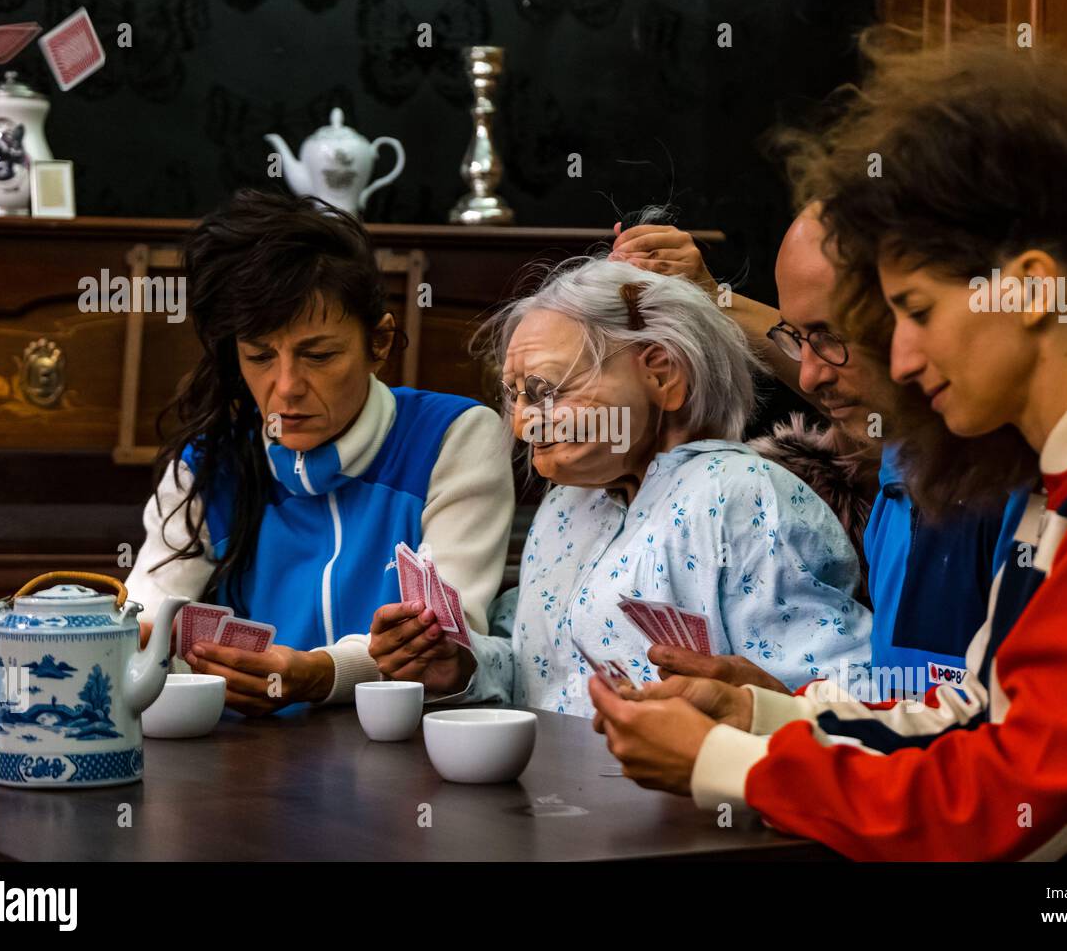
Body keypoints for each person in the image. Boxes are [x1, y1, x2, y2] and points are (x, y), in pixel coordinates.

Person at [590, 28, 1067, 860]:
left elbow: (1005, 809)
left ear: (1033, 288)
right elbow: (977, 715)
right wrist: (768, 716)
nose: (900, 359)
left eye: (918, 311)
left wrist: (727, 763)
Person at [367, 256, 871, 716]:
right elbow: (539, 675)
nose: (523, 425)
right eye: (515, 397)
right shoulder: (568, 504)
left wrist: (755, 705)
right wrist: (461, 666)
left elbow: (846, 695)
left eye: (547, 391)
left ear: (662, 373)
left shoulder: (741, 496)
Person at [612, 205, 1031, 701]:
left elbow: (996, 747)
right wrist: (775, 710)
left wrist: (784, 720)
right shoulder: (901, 476)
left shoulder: (1029, 494)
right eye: (797, 339)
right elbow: (915, 720)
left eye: (833, 336)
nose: (809, 377)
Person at [126, 189, 514, 715]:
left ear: (378, 343)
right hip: (243, 770)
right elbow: (148, 611)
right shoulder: (205, 466)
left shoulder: (453, 437)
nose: (286, 387)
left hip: (403, 768)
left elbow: (439, 643)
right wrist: (139, 639)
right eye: (260, 356)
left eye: (319, 355)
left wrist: (321, 674)